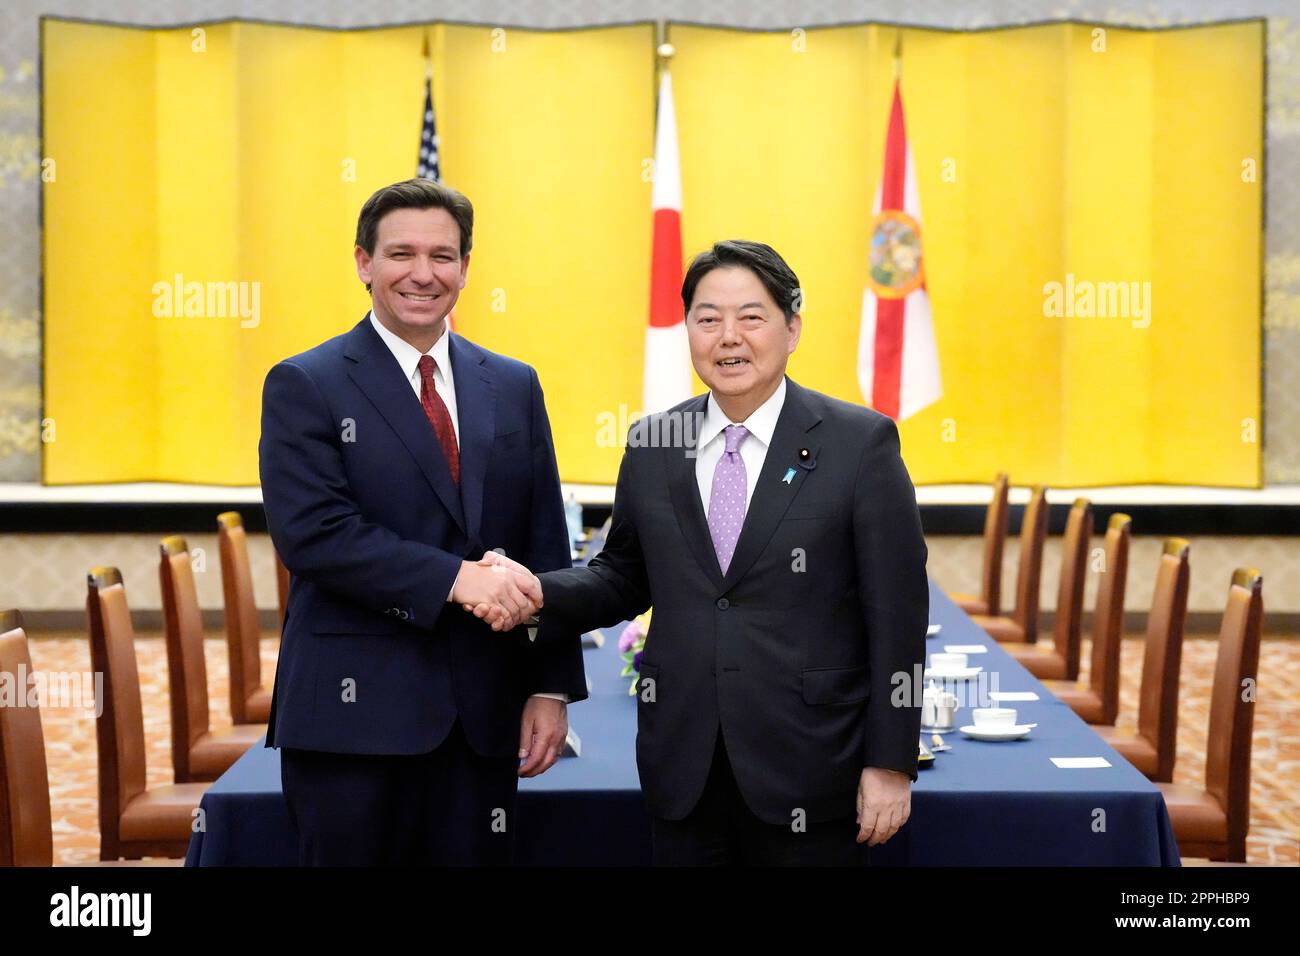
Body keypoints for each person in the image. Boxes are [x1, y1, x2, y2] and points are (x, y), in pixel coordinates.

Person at [474, 240, 928, 865]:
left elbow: (898, 618)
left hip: (812, 765)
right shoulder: (655, 442)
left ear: (792, 327)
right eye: (707, 318)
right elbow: (625, 576)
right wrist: (538, 592)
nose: (727, 336)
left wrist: (890, 762)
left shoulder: (859, 444)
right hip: (684, 766)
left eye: (752, 316)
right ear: (687, 329)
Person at [259, 178, 584, 865]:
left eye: (443, 256)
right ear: (363, 263)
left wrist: (551, 687)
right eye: (401, 252)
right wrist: (456, 580)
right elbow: (314, 536)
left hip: (483, 723)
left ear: (466, 268)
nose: (422, 273)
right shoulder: (305, 382)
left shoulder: (514, 384)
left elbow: (545, 544)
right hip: (352, 724)